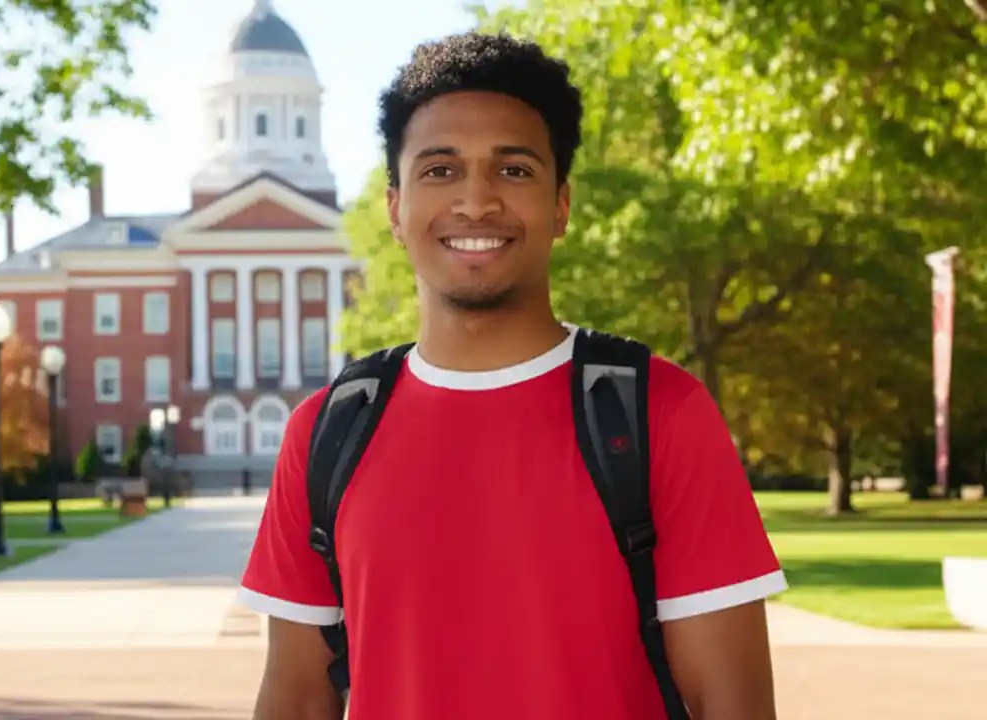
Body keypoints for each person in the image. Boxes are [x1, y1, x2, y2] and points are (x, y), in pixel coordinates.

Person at [237, 31, 787, 720]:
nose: (476, 201)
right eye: (440, 170)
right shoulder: (326, 431)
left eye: (514, 170)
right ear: (395, 209)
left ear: (561, 205)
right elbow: (295, 696)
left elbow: (729, 703)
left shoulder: (659, 412)